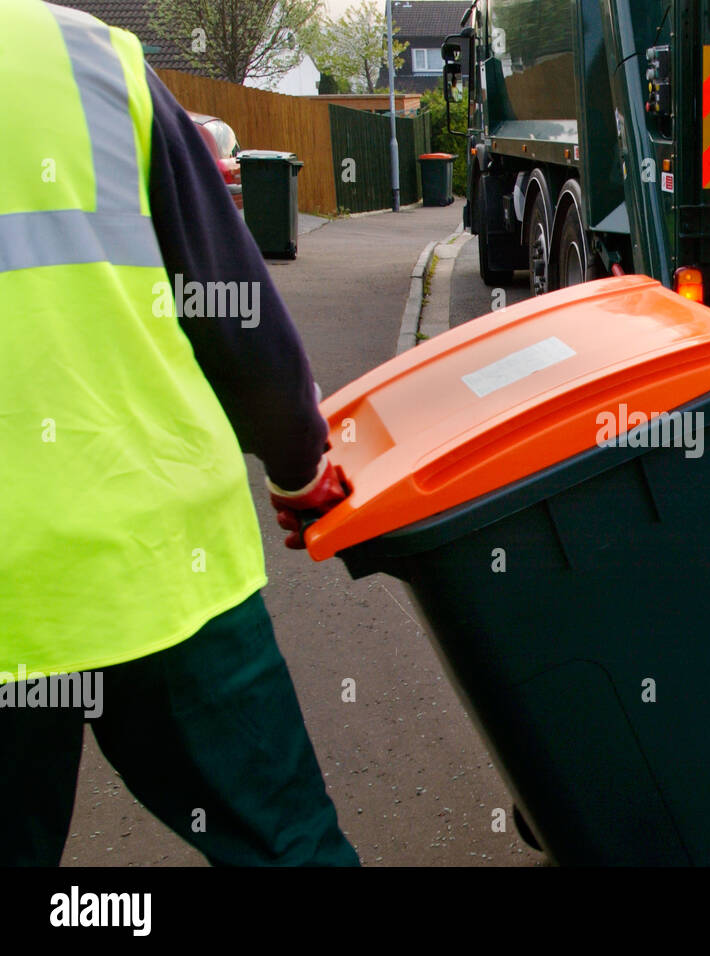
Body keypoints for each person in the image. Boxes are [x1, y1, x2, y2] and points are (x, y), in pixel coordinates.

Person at [0, 0, 356, 865]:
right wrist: (299, 465)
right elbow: (227, 299)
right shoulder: (83, 55)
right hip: (159, 563)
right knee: (287, 850)